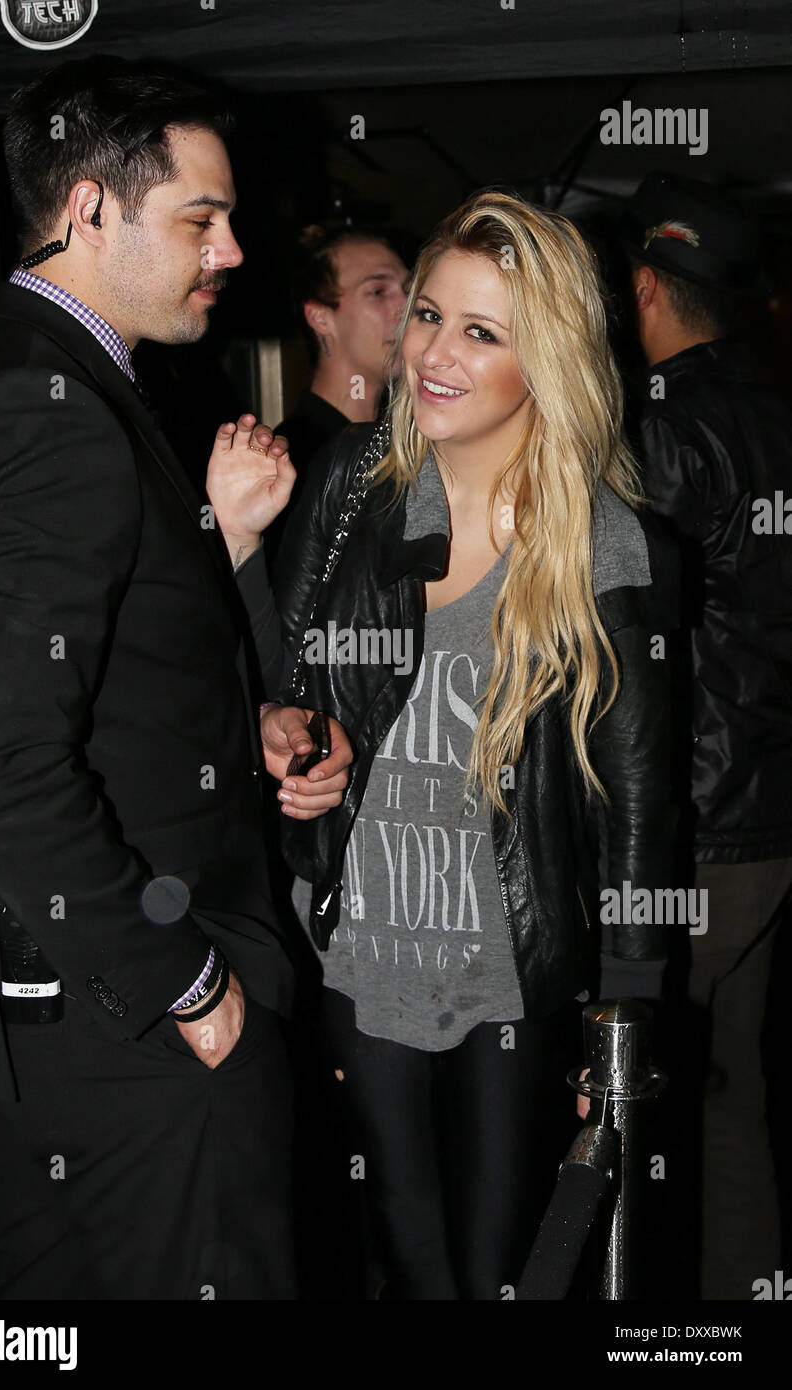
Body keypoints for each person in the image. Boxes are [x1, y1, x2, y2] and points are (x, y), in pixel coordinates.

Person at [0, 56, 352, 1301]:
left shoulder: (41, 373)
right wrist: (189, 984)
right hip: (128, 1023)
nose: (228, 250)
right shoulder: (47, 406)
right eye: (199, 218)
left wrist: (246, 702)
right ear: (90, 210)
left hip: (85, 1020)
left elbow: (83, 660)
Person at [210, 190, 679, 1299]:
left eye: (481, 331)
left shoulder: (600, 540)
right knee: (402, 1261)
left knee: (507, 1263)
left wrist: (621, 1012)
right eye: (426, 315)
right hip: (361, 950)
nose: (432, 352)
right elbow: (277, 687)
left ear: (547, 357)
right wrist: (289, 737)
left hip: (511, 967)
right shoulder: (348, 492)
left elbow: (639, 799)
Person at [621, 170, 792, 1300]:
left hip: (687, 827)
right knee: (729, 1098)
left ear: (644, 288)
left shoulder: (665, 439)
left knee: (626, 1101)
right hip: (772, 818)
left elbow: (617, 641)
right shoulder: (779, 417)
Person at [266, 226, 408, 557]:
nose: (407, 306)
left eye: (408, 288)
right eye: (377, 291)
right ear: (320, 318)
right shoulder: (292, 463)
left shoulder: (406, 446)